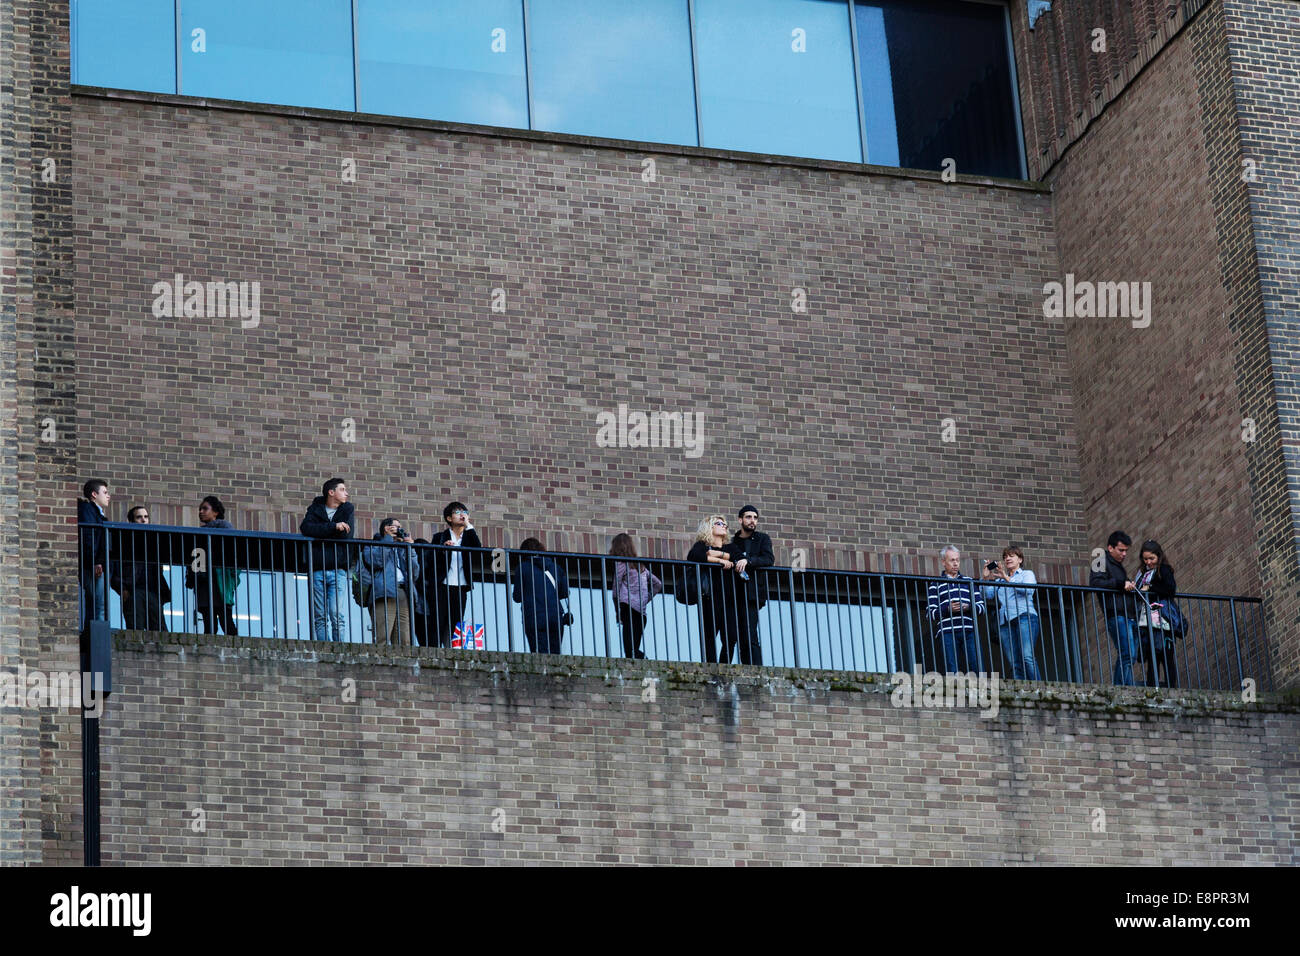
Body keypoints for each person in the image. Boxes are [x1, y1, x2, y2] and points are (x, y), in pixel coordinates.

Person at [300, 478, 354, 643]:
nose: (346, 493)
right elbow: (306, 529)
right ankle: (324, 646)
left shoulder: (347, 508)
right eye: (342, 489)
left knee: (336, 612)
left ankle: (339, 647)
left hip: (338, 568)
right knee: (320, 615)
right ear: (331, 492)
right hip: (317, 568)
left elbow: (346, 534)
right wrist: (333, 527)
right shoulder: (315, 508)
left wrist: (323, 531)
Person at [426, 502, 483, 648]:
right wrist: (442, 549)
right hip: (442, 585)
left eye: (465, 512)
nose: (462, 514)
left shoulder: (469, 537)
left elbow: (478, 550)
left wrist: (469, 525)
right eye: (458, 512)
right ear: (449, 518)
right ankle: (433, 652)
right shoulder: (439, 537)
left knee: (456, 622)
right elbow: (430, 560)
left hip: (460, 587)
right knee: (437, 621)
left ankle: (454, 650)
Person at [723, 505, 774, 665]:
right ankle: (724, 666)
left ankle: (754, 668)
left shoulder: (762, 539)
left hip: (752, 594)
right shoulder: (733, 542)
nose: (752, 521)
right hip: (733, 593)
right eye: (748, 517)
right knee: (731, 635)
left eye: (755, 517)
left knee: (749, 634)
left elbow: (768, 559)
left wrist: (748, 561)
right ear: (740, 520)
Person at [982, 546, 1040, 680]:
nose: (1007, 558)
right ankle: (1020, 691)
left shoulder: (1027, 574)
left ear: (1020, 559)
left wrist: (1006, 578)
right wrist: (985, 578)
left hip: (1025, 617)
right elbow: (987, 595)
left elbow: (1028, 590)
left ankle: (1039, 687)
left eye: (1011, 556)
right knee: (1014, 662)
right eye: (1005, 556)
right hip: (1005, 622)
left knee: (1027, 656)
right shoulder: (1000, 580)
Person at [110, 505, 171, 631]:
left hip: (153, 592)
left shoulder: (153, 540)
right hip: (133, 591)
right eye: (139, 517)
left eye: (146, 517)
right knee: (135, 630)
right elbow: (113, 570)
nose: (143, 520)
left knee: (160, 631)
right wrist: (122, 589)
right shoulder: (123, 541)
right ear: (131, 521)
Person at [361, 517, 420, 647]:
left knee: (404, 639)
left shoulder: (402, 548)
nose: (399, 530)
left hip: (404, 593)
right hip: (384, 593)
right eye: (395, 527)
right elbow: (376, 561)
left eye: (400, 527)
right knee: (382, 635)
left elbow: (414, 573)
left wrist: (410, 548)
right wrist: (388, 540)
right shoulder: (373, 545)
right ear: (386, 528)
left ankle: (403, 665)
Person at [1089, 530, 1137, 686]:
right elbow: (1096, 583)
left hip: (1127, 615)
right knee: (1127, 654)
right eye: (1121, 550)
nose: (1124, 554)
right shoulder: (1100, 560)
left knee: (1130, 655)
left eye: (1126, 551)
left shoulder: (1117, 566)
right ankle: (1124, 688)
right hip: (1117, 615)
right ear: (1110, 548)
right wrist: (1120, 584)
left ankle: (1124, 686)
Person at [927, 545, 984, 673]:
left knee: (977, 667)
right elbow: (930, 614)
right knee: (951, 669)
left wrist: (968, 607)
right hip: (947, 632)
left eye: (957, 560)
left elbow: (981, 608)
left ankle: (980, 691)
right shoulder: (935, 584)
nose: (956, 563)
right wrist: (948, 609)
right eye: (952, 560)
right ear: (943, 562)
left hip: (969, 630)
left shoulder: (969, 582)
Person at [187, 495, 238, 635]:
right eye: (200, 509)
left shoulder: (224, 527)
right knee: (209, 624)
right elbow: (194, 556)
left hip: (219, 581)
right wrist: (192, 576)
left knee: (225, 620)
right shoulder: (198, 533)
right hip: (205, 582)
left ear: (215, 512)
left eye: (205, 508)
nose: (201, 512)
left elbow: (232, 552)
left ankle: (235, 648)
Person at [686, 515, 734, 663]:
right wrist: (720, 560)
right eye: (719, 523)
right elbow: (693, 556)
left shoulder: (730, 547)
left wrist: (717, 554)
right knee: (709, 635)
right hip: (710, 597)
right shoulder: (702, 545)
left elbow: (736, 558)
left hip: (729, 597)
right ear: (710, 527)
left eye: (725, 524)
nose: (724, 526)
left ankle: (724, 665)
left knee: (731, 636)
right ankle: (711, 666)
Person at [1133, 540, 1178, 688]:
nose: (1149, 562)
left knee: (1166, 654)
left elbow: (1170, 589)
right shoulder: (1142, 572)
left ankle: (1172, 687)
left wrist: (1151, 587)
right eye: (1145, 559)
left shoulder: (1163, 569)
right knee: (1152, 656)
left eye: (1151, 558)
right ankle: (1153, 687)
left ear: (1158, 556)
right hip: (1147, 619)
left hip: (1162, 619)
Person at [610, 533, 662, 659]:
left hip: (628, 609)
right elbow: (658, 584)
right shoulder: (641, 567)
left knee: (630, 652)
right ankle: (642, 660)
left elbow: (616, 588)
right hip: (641, 613)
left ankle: (643, 660)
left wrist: (617, 609)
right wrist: (645, 599)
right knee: (633, 651)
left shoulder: (621, 563)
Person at [512, 537, 567, 654]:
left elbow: (517, 597)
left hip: (534, 616)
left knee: (539, 653)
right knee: (555, 654)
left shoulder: (522, 568)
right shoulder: (556, 568)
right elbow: (565, 593)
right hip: (555, 617)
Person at [78, 479, 111, 630]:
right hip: (93, 565)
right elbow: (89, 537)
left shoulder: (96, 512)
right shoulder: (88, 510)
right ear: (94, 494)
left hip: (96, 563)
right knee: (98, 603)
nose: (108, 496)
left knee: (98, 602)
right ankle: (96, 634)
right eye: (105, 492)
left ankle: (95, 631)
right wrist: (95, 561)